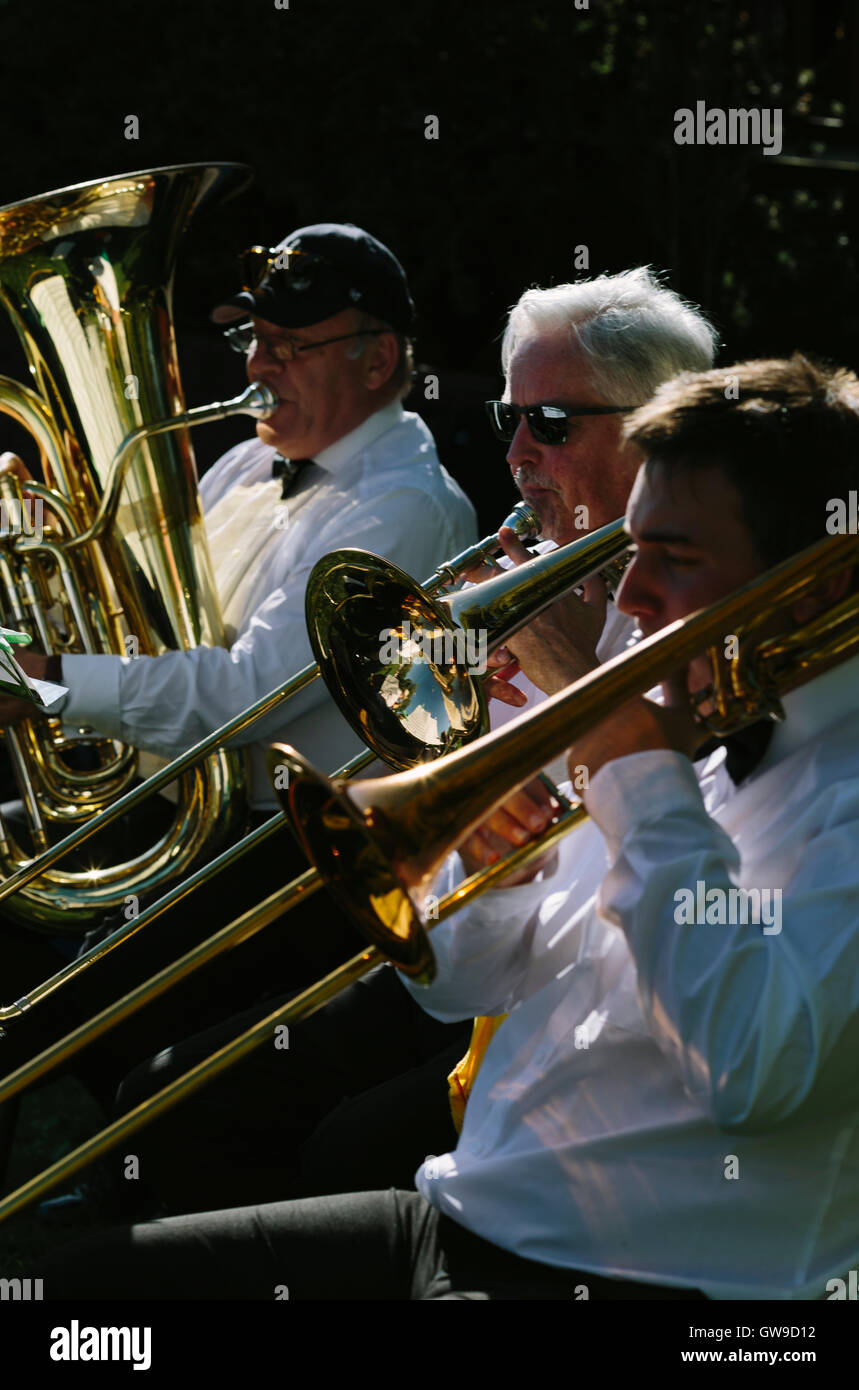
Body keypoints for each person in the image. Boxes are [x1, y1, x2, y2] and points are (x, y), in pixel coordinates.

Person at [38, 352, 859, 1301]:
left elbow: (752, 1074)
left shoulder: (804, 782)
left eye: (674, 561)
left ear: (810, 586)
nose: (628, 599)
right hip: (464, 1215)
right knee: (77, 1293)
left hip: (644, 1278)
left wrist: (641, 783)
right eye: (631, 550)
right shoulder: (701, 721)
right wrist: (493, 880)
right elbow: (468, 987)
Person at [107, 268, 718, 1214]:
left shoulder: (712, 614)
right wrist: (457, 785)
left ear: (664, 427)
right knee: (173, 1093)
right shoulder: (540, 589)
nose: (516, 455)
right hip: (492, 980)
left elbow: (685, 848)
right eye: (507, 421)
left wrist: (570, 689)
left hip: (617, 1023)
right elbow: (458, 964)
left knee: (319, 1144)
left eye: (550, 425)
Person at [0, 224, 476, 1109]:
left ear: (377, 362)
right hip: (172, 817)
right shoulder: (246, 463)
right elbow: (143, 632)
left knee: (40, 1029)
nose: (257, 365)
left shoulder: (403, 507)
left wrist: (46, 683)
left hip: (283, 863)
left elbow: (249, 695)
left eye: (291, 346)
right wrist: (40, 548)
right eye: (251, 339)